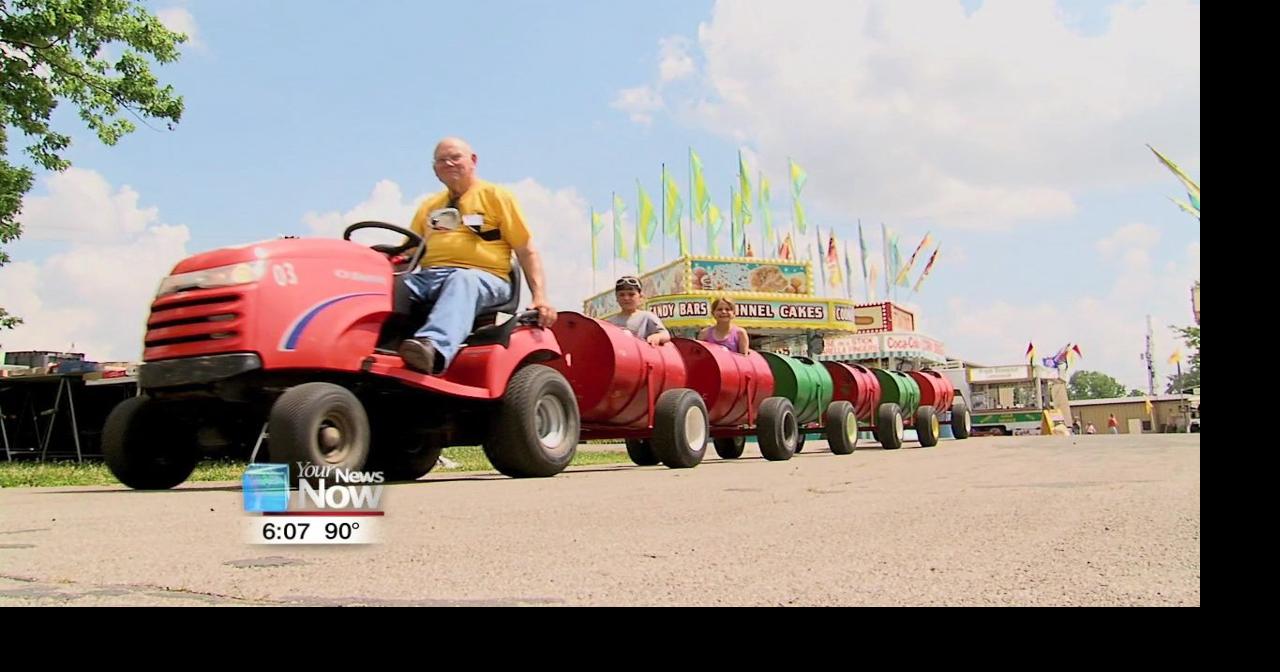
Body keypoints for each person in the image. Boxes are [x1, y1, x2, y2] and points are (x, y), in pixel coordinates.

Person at [397, 137, 555, 374]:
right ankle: (373, 344)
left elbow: (526, 249)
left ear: (473, 160)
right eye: (442, 160)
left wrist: (540, 297)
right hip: (430, 277)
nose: (448, 163)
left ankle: (433, 348)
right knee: (389, 284)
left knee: (462, 279)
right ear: (434, 169)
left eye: (455, 157)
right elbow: (408, 253)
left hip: (485, 278)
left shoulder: (496, 196)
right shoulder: (429, 206)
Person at [606, 275, 671, 346]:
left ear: (640, 296)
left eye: (631, 294)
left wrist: (657, 337)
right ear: (616, 297)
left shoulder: (647, 317)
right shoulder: (610, 323)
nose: (626, 298)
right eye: (622, 295)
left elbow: (665, 334)